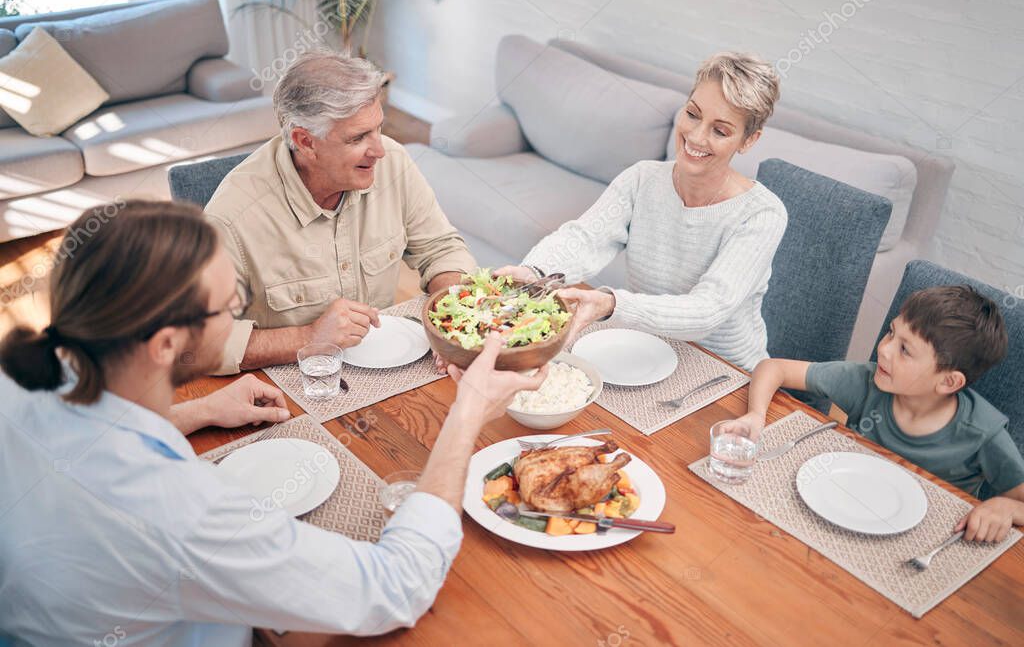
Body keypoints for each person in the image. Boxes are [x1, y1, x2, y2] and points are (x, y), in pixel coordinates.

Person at [0, 200, 546, 646]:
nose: (238, 310)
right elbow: (395, 588)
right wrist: (468, 409)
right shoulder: (177, 511)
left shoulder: (25, 379)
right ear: (167, 344)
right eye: (229, 304)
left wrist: (198, 411)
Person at [497, 51, 787, 371]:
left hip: (726, 372)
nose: (696, 136)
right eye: (692, 114)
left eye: (720, 131)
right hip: (645, 350)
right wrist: (534, 273)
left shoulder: (761, 215)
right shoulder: (642, 179)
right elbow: (585, 237)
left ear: (748, 140)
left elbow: (709, 309)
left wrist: (611, 304)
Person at [205, 49, 476, 375]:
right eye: (358, 137)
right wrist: (308, 337)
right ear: (305, 142)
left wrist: (454, 322)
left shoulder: (393, 161)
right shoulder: (231, 218)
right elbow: (199, 343)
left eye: (378, 128)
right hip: (292, 386)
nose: (379, 149)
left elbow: (441, 249)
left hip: (389, 370)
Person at [722, 286, 1024, 543]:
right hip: (838, 514)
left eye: (905, 349)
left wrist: (1006, 508)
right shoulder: (867, 381)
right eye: (891, 332)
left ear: (948, 382)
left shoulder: (983, 434)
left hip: (922, 542)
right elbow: (772, 368)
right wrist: (756, 415)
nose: (884, 349)